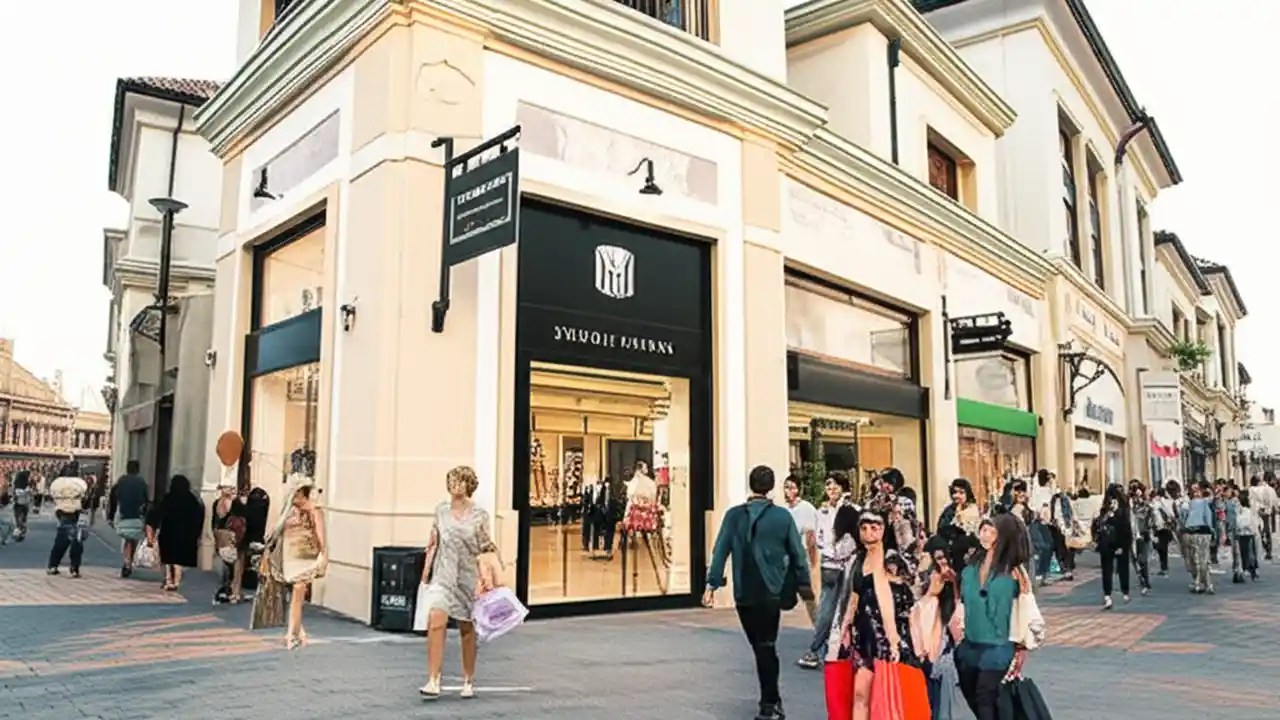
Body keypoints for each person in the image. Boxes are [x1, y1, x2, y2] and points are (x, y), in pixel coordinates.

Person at [705, 465, 813, 720]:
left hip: (744, 592)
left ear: (751, 485)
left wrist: (712, 583)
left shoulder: (734, 516)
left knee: (760, 647)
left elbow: (720, 550)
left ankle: (770, 700)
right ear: (771, 486)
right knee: (766, 646)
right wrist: (804, 586)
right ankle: (770, 701)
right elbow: (798, 555)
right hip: (771, 591)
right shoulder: (782, 517)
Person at [419, 466, 500, 699]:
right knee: (436, 620)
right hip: (443, 575)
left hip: (467, 576)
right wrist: (425, 574)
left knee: (467, 628)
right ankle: (433, 679)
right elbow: (433, 542)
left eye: (461, 481)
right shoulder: (440, 511)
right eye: (452, 481)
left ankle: (468, 679)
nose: (456, 485)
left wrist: (487, 579)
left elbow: (486, 548)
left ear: (469, 486)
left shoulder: (479, 515)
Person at [954, 515, 1031, 720]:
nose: (984, 534)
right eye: (983, 529)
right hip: (969, 645)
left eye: (991, 530)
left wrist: (1022, 647)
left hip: (999, 645)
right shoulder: (970, 567)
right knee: (978, 702)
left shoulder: (1014, 572)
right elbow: (961, 601)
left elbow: (1025, 611)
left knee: (985, 696)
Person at [265, 474, 328, 650]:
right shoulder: (289, 511)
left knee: (297, 597)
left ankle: (292, 634)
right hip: (289, 559)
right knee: (292, 596)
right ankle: (299, 632)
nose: (293, 497)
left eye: (296, 494)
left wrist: (323, 557)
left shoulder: (314, 511)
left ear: (302, 493)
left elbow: (322, 537)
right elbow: (276, 532)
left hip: (306, 559)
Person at [910, 534, 966, 719]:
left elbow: (957, 610)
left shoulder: (954, 578)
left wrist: (953, 583)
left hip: (945, 639)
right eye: (938, 558)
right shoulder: (931, 579)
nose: (942, 562)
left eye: (944, 557)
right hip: (930, 635)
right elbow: (923, 600)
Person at [799, 502, 857, 669]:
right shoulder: (852, 539)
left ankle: (818, 649)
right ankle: (822, 649)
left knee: (828, 611)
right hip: (839, 573)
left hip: (832, 571)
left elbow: (828, 548)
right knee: (835, 612)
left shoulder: (842, 537)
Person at [147, 475, 204, 592]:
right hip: (186, 534)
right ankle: (177, 581)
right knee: (179, 559)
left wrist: (152, 526)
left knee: (168, 558)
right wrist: (196, 533)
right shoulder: (192, 499)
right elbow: (198, 516)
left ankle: (168, 580)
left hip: (169, 532)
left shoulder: (169, 498)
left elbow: (158, 512)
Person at [1093, 483, 1133, 609]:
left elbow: (1097, 525)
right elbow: (1125, 527)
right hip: (1118, 542)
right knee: (1122, 567)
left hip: (1106, 543)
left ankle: (1108, 595)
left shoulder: (1104, 508)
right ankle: (1124, 592)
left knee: (1107, 569)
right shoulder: (1122, 508)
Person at [108, 460, 150, 577]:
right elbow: (146, 500)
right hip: (138, 514)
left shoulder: (121, 481)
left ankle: (127, 563)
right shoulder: (142, 482)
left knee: (127, 539)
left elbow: (113, 498)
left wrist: (111, 515)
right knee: (134, 538)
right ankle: (130, 561)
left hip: (124, 513)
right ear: (138, 469)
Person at [46, 462, 89, 578]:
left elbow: (52, 495)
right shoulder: (80, 484)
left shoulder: (57, 483)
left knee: (61, 540)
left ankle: (53, 565)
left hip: (61, 513)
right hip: (76, 513)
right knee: (77, 542)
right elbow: (85, 497)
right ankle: (74, 567)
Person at [1181, 480, 1216, 594]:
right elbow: (1208, 518)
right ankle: (1207, 584)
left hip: (1191, 532)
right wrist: (1212, 532)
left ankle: (1198, 582)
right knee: (1204, 558)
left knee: (1195, 559)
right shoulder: (1205, 503)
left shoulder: (1186, 504)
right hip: (1203, 531)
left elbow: (1182, 519)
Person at [783, 474, 820, 577]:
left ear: (798, 490)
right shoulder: (783, 510)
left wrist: (813, 566)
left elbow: (811, 538)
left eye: (791, 488)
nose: (787, 491)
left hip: (801, 559)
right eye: (786, 487)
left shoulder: (807, 509)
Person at [1129, 482, 1153, 595]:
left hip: (1143, 533)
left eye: (1138, 489)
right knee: (1135, 559)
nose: (1136, 492)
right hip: (1131, 535)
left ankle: (1145, 579)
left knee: (1142, 559)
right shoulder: (1128, 504)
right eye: (1134, 489)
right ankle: (1141, 579)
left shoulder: (1145, 504)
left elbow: (1150, 516)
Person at [1249, 475, 1277, 561]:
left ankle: (1265, 547)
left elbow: (1251, 502)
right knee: (1267, 531)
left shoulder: (1252, 490)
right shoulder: (1269, 489)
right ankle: (1268, 550)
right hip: (1267, 513)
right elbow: (1274, 501)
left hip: (1258, 513)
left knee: (1260, 531)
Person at [1237, 491, 1259, 582]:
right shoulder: (1243, 510)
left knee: (1249, 553)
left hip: (1248, 533)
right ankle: (1248, 569)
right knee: (1247, 552)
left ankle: (1251, 569)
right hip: (1246, 533)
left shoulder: (1247, 510)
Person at [9, 470, 31, 541]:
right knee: (23, 518)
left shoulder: (17, 483)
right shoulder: (27, 484)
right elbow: (29, 493)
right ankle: (22, 532)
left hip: (18, 503)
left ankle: (18, 531)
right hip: (25, 503)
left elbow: (15, 493)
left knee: (18, 518)